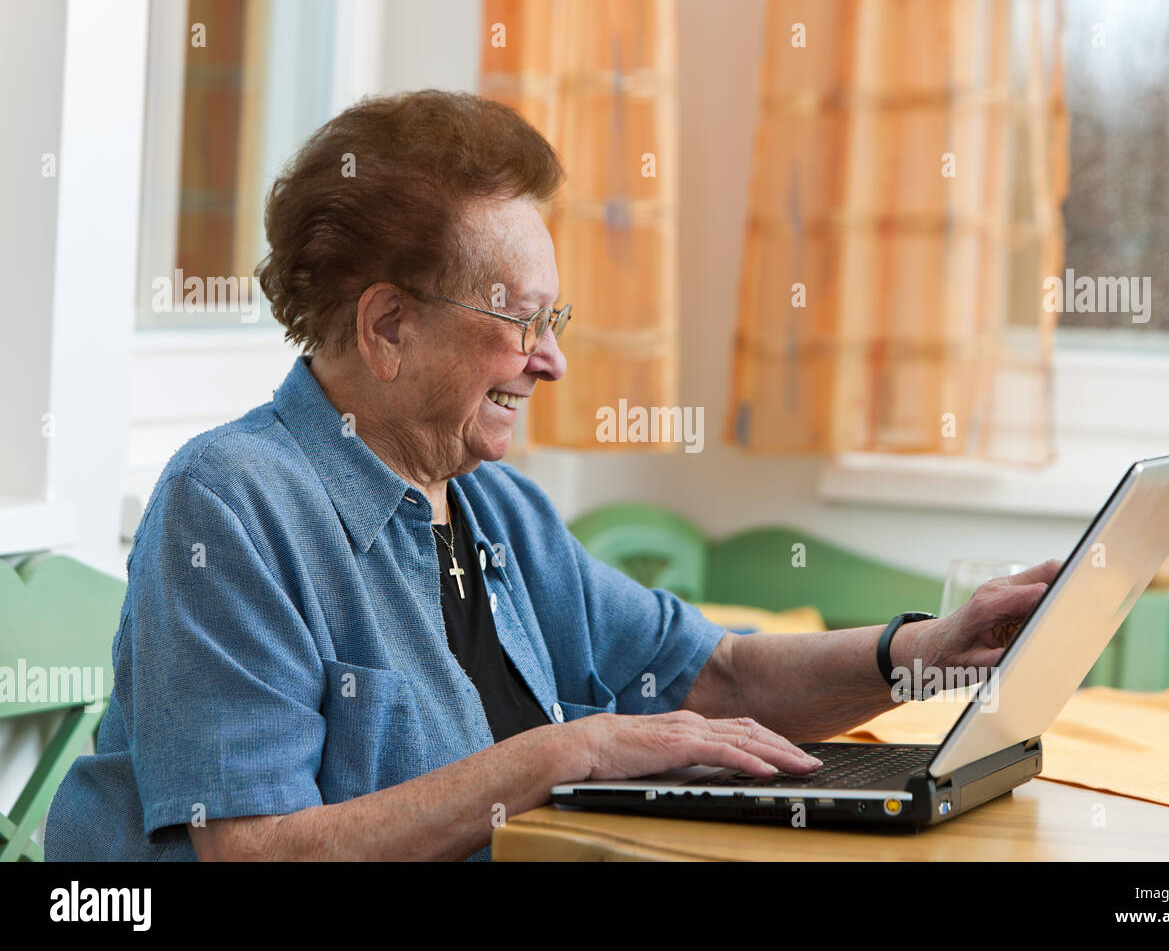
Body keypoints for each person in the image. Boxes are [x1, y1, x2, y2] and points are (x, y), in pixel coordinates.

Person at [45, 90, 1058, 861]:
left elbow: (713, 675)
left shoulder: (495, 505)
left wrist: (929, 649)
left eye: (552, 320)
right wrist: (561, 751)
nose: (552, 360)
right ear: (388, 326)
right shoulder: (230, 498)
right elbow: (253, 847)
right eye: (518, 321)